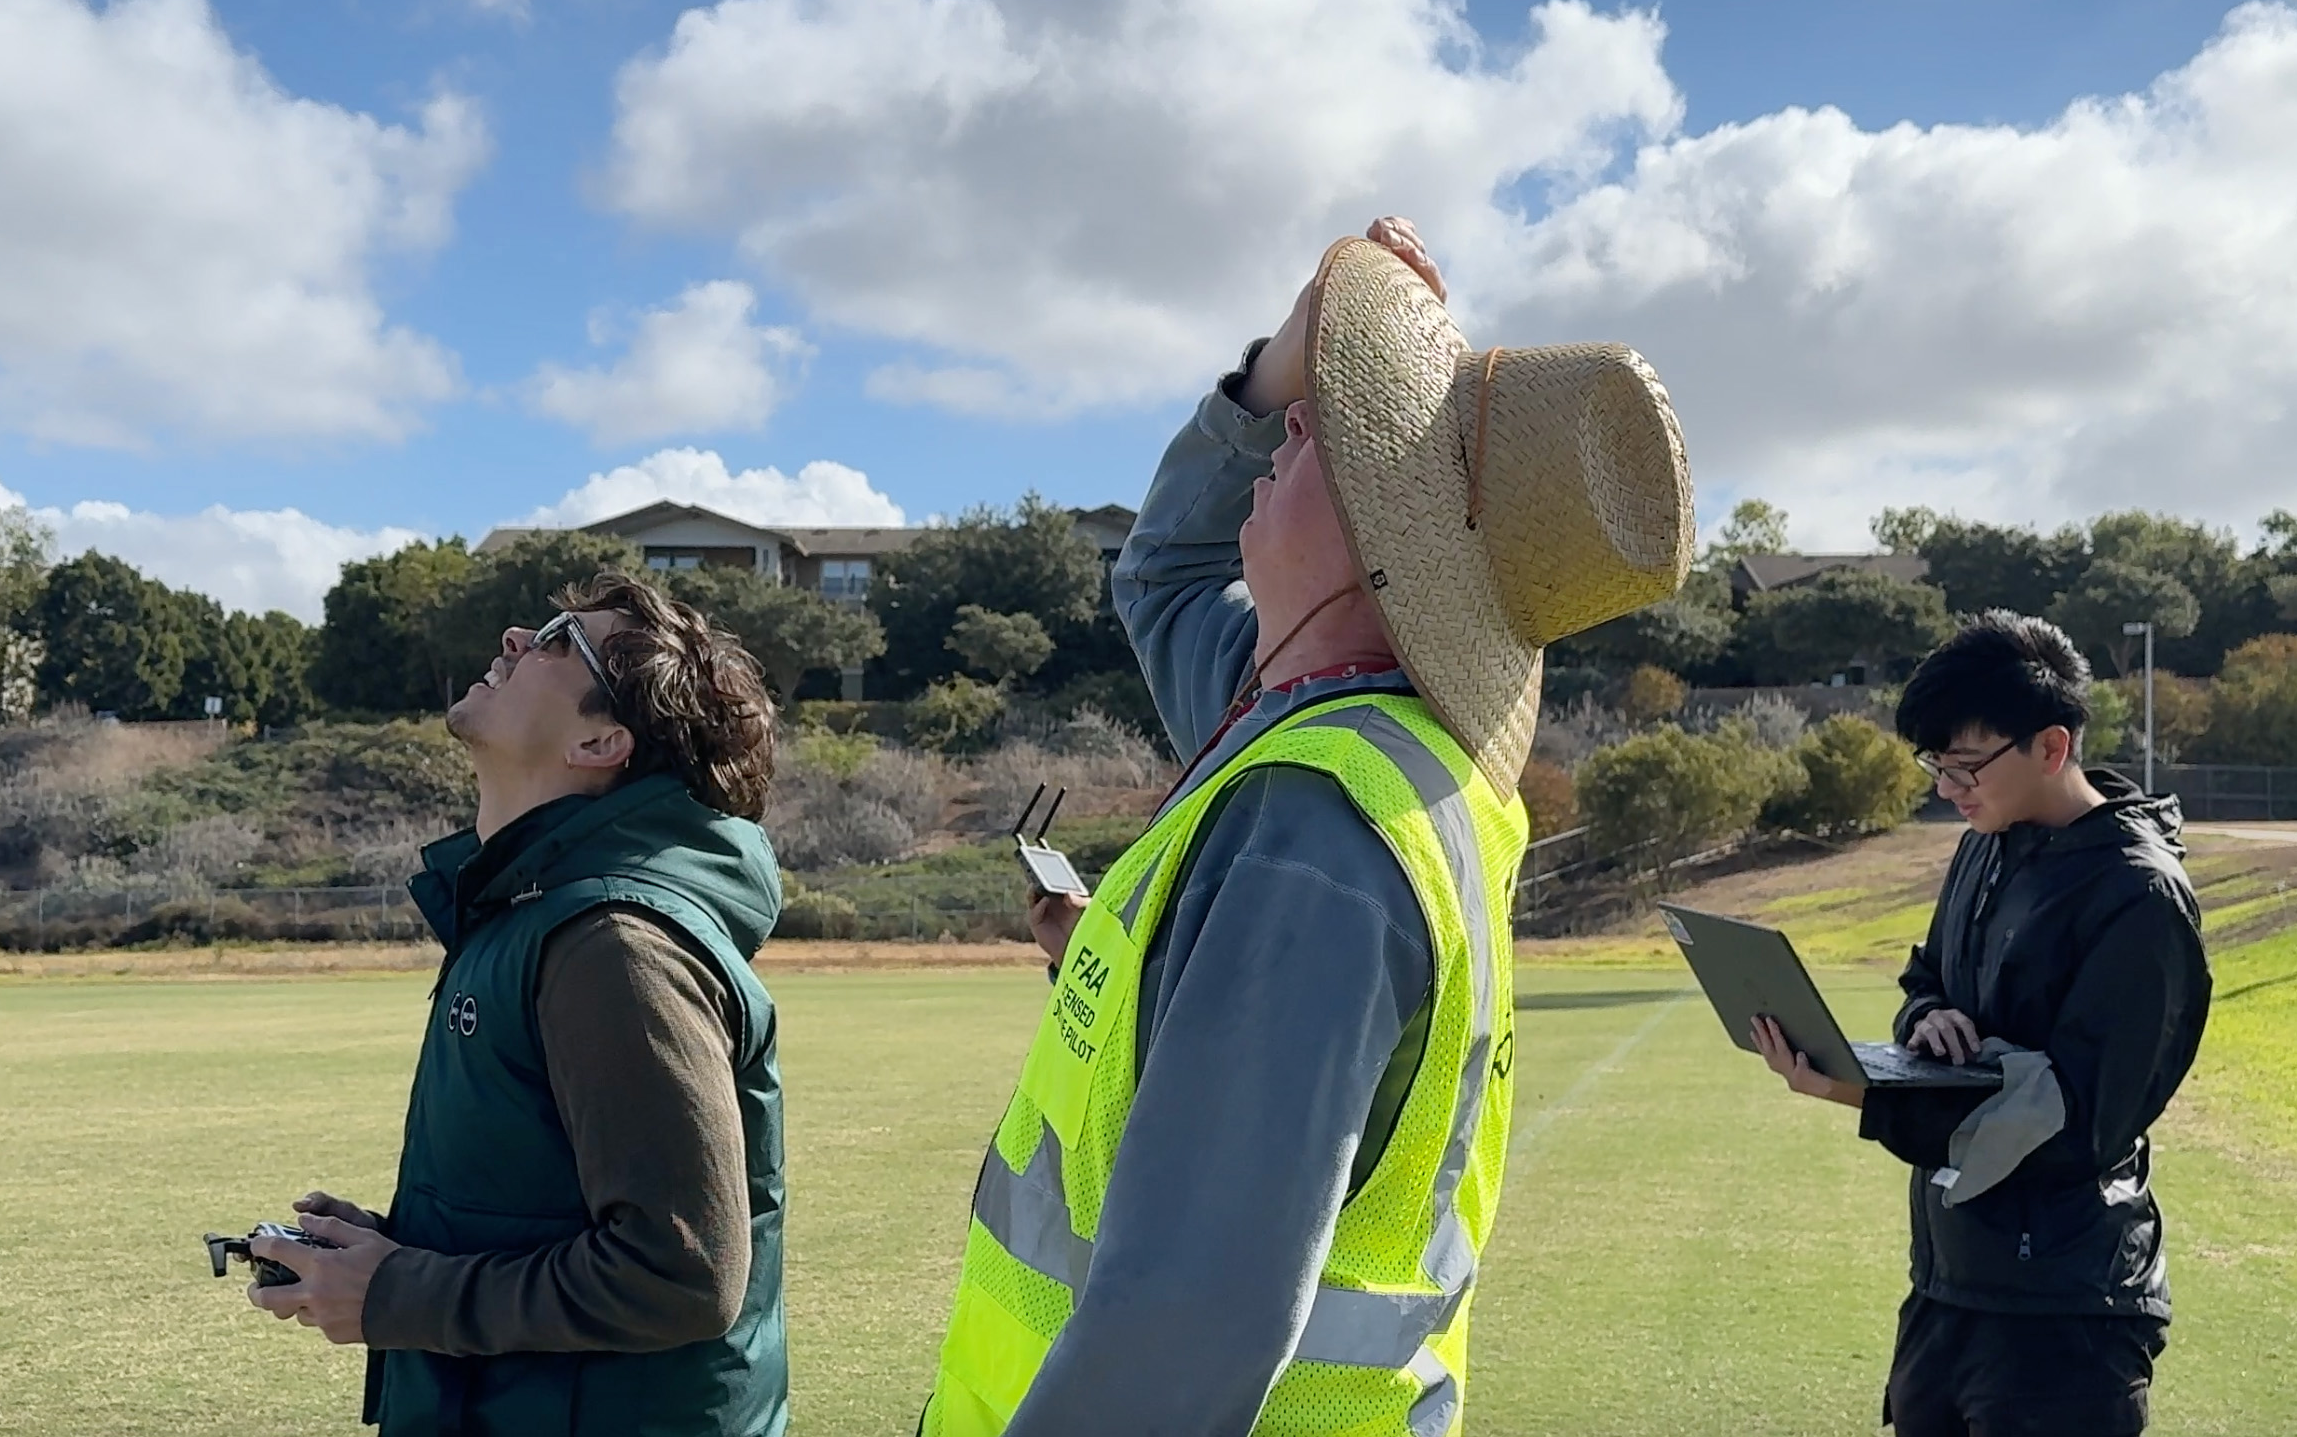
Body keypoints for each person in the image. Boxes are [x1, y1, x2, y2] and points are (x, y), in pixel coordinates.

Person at [919, 218, 1695, 1435]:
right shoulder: (1314, 723)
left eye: (1330, 431)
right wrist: (1281, 356)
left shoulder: (1316, 819)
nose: (1286, 429)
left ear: (1392, 541)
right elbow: (1164, 570)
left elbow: (1179, 1332)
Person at [245, 571, 791, 1437]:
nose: (514, 637)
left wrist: (400, 1290)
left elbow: (678, 1273)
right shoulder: (531, 913)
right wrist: (399, 1247)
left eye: (556, 639)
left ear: (601, 741)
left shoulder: (615, 944)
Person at [1749, 611, 2209, 1437]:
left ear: (2051, 746)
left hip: (2064, 1312)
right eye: (1935, 764)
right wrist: (1929, 1015)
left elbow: (2076, 1125)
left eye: (1963, 765)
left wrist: (1863, 1096)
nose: (1944, 787)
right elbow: (1926, 975)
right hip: (1947, 1286)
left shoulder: (2139, 898)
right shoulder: (1987, 841)